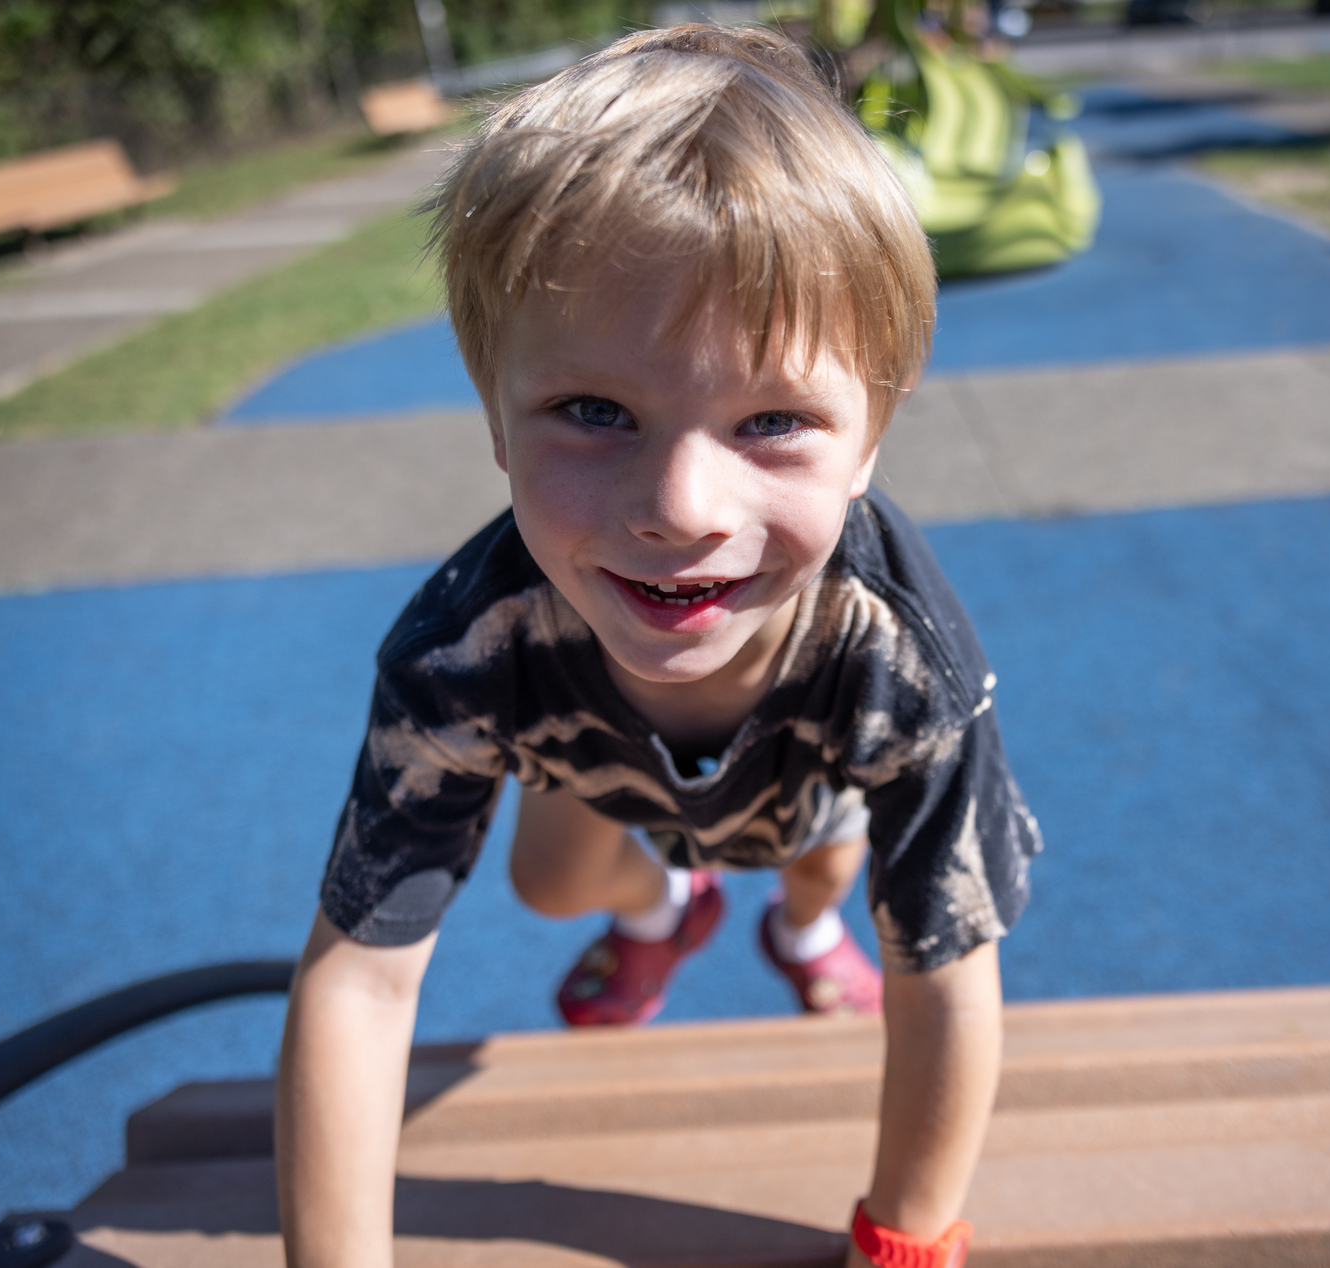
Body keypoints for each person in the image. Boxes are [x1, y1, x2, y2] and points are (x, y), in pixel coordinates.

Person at [275, 23, 1040, 1268]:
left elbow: (946, 971)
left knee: (822, 870)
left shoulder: (896, 656)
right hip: (598, 767)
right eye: (593, 411)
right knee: (548, 882)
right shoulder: (463, 649)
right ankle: (669, 902)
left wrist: (901, 1243)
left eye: (774, 419)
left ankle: (793, 932)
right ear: (494, 413)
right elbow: (359, 983)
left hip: (807, 779)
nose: (680, 506)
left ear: (873, 434)